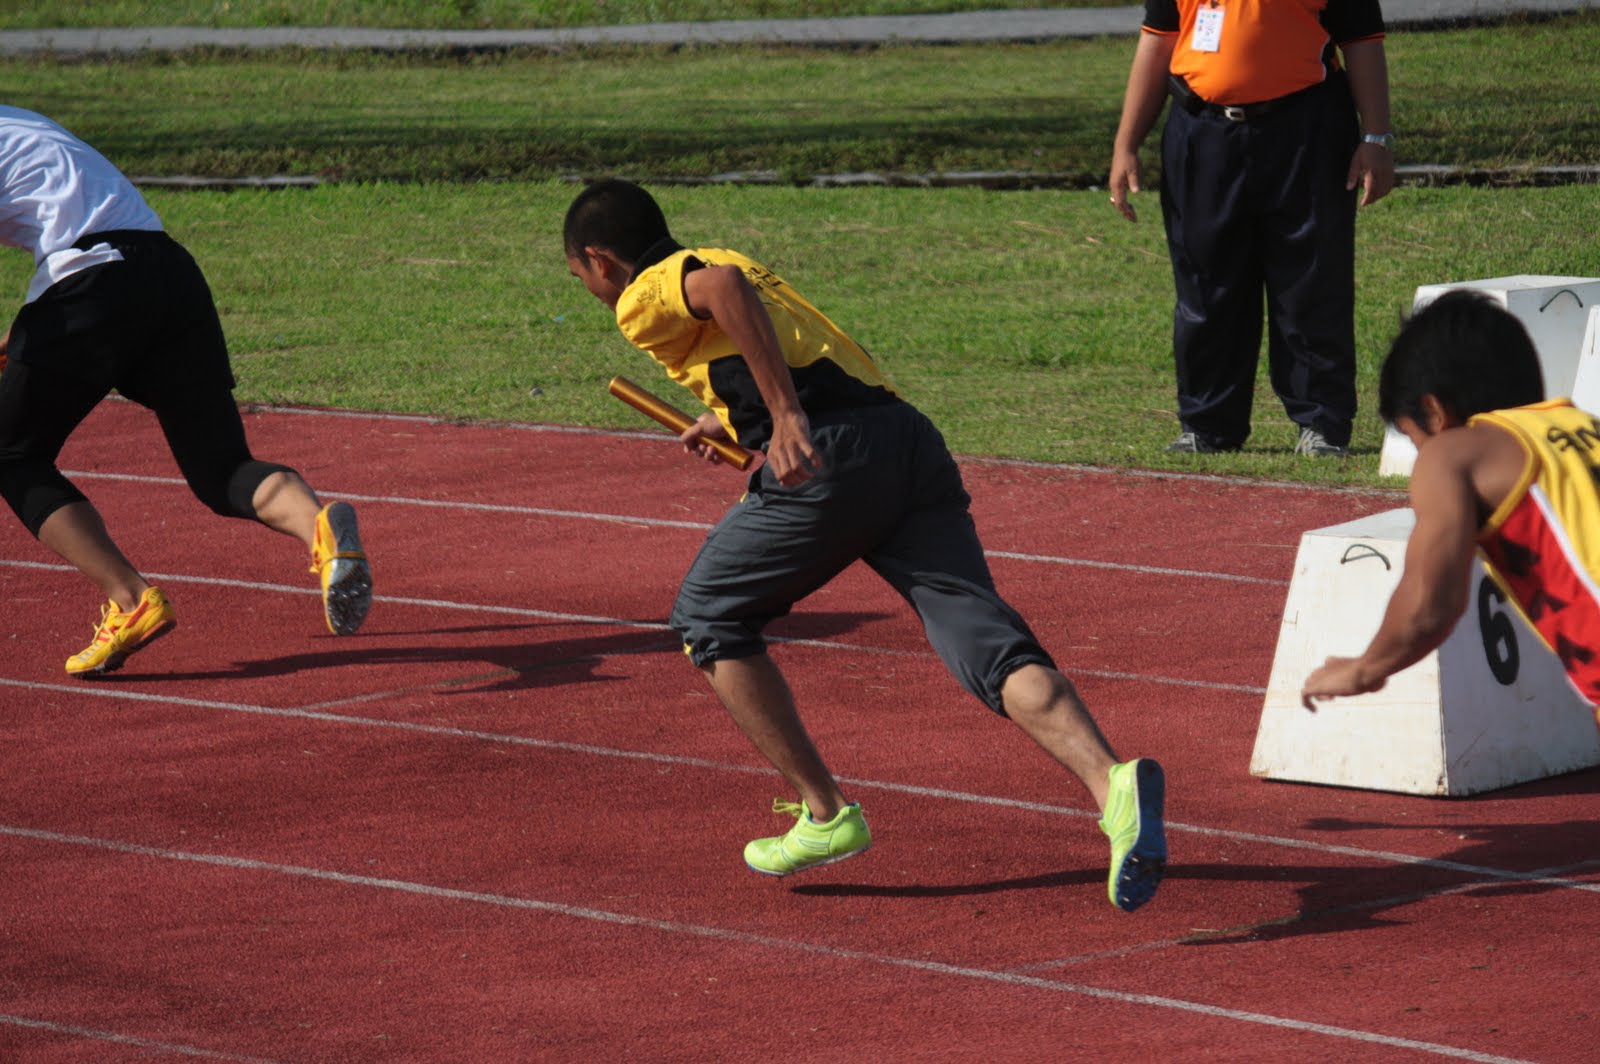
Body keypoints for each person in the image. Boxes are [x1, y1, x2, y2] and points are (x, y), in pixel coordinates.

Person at [563, 178, 1168, 911]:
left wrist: (782, 416)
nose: (590, 291)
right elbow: (777, 334)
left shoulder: (651, 289)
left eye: (580, 278)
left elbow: (720, 293)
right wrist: (733, 416)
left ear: (600, 261)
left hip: (833, 458)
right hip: (905, 441)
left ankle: (825, 814)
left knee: (707, 617)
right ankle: (1113, 785)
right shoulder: (726, 255)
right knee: (985, 644)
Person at [0, 105, 372, 677]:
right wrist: (24, 337)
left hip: (93, 280)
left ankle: (130, 602)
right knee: (221, 468)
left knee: (12, 451)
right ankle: (319, 529)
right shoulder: (17, 121)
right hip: (168, 272)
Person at [1108, 0, 1395, 458]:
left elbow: (1362, 43)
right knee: (1206, 283)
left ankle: (1321, 422)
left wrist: (1376, 137)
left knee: (1311, 281)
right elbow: (1158, 41)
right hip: (1202, 132)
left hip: (1305, 128)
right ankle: (1208, 425)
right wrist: (1126, 144)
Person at [1301, 290, 1600, 717]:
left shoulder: (1453, 452)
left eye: (1414, 439)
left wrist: (1367, 667)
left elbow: (1431, 603)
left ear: (1435, 412)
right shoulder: (1585, 426)